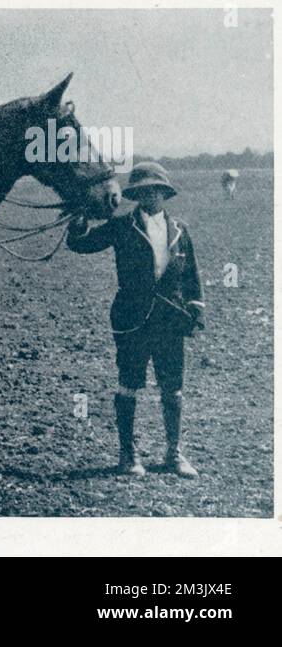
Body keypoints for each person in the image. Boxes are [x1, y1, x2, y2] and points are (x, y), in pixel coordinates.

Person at [66, 162, 204, 478]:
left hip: (170, 320)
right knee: (129, 385)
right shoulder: (121, 226)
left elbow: (193, 276)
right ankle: (128, 456)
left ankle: (173, 454)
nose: (150, 195)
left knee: (173, 388)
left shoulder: (180, 229)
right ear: (137, 194)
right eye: (144, 190)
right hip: (132, 319)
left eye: (156, 190)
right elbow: (82, 244)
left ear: (164, 193)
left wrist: (196, 312)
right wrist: (77, 223)